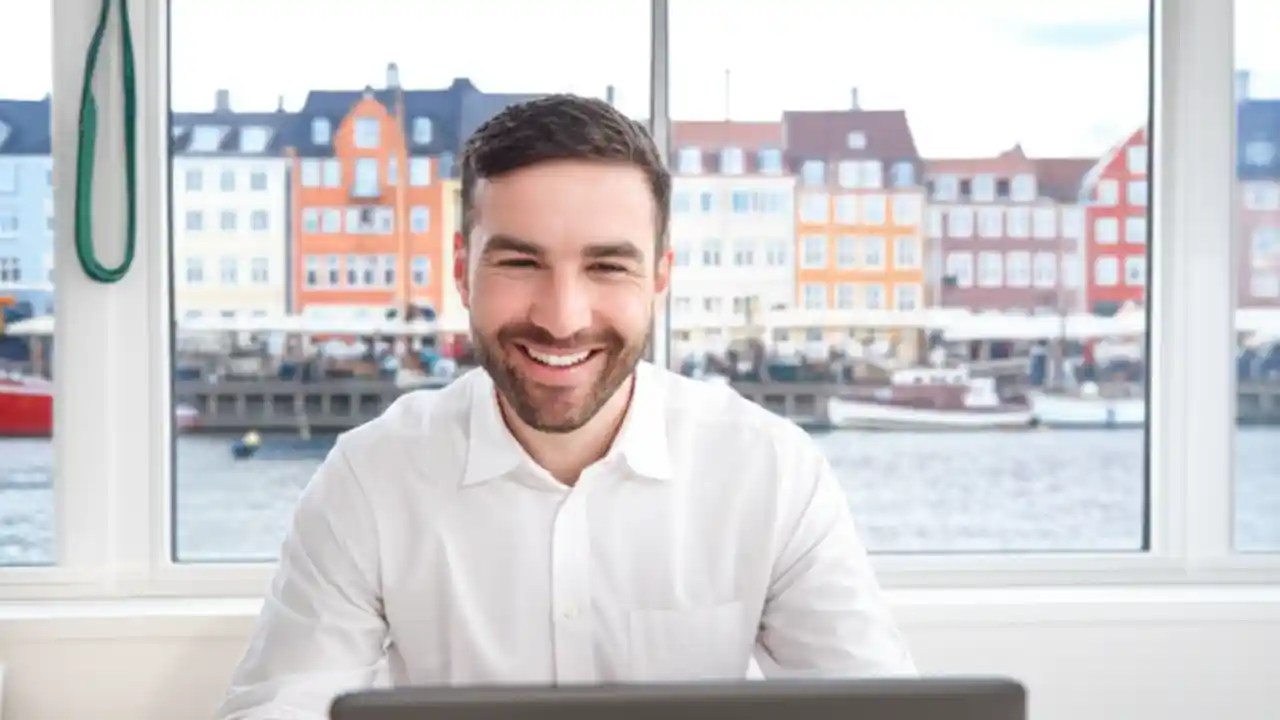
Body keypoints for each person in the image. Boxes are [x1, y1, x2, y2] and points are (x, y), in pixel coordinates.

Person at [217, 94, 915, 719]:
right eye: (520, 264)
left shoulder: (770, 471)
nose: (562, 318)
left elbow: (879, 705)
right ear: (462, 271)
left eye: (607, 266)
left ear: (659, 277)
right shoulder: (371, 477)